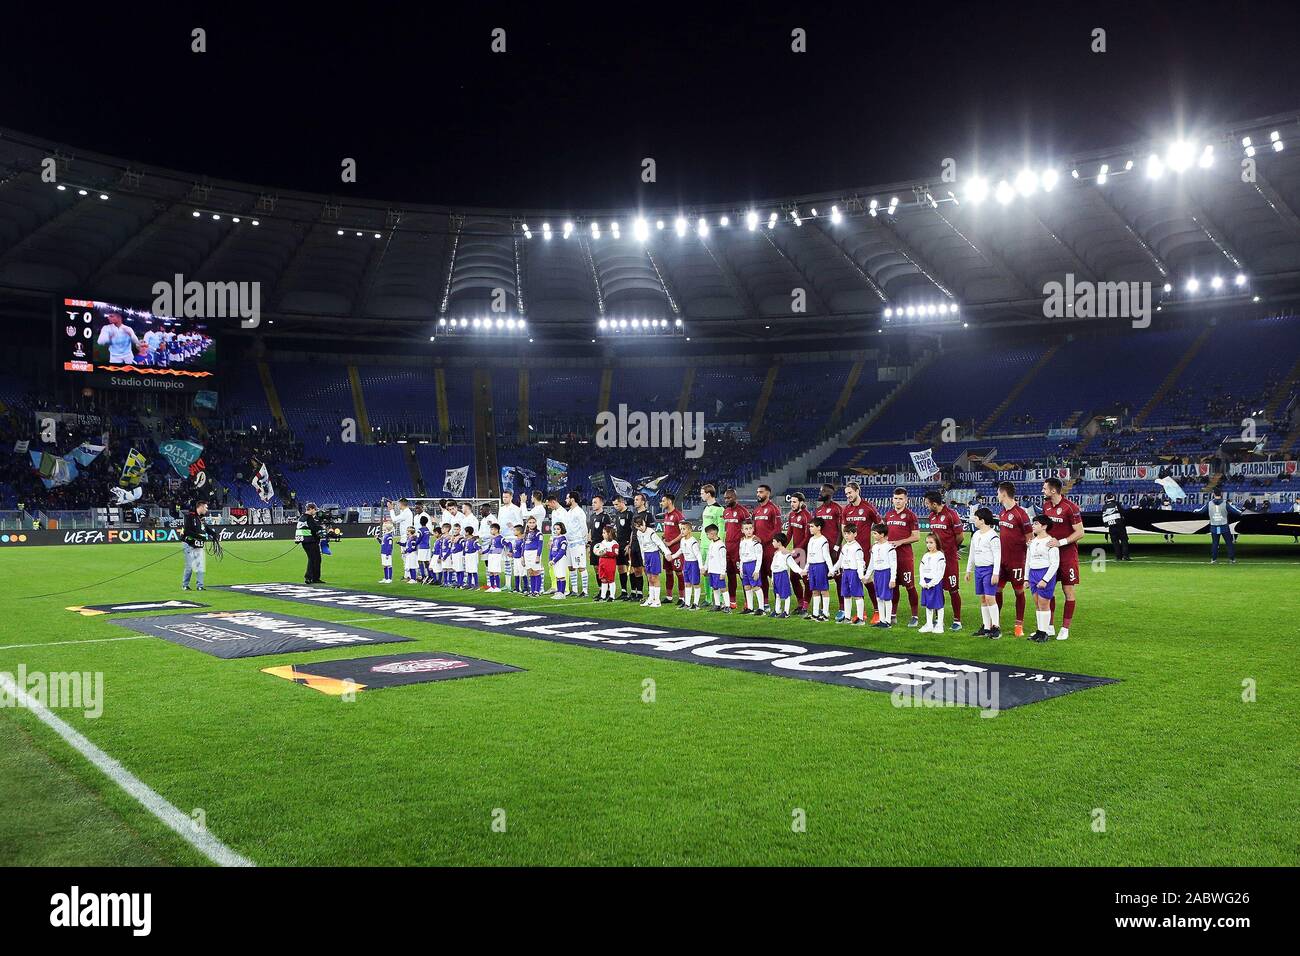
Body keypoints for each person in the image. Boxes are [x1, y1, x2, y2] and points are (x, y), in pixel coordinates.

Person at [1041, 477, 1084, 640]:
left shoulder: (1070, 507)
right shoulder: (1046, 506)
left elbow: (1080, 532)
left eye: (1045, 488)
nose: (1042, 491)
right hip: (1051, 555)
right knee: (1048, 591)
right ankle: (1050, 626)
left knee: (1068, 591)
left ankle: (1065, 628)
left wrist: (1061, 542)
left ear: (1053, 490)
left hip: (1067, 555)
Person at [995, 481, 1034, 636]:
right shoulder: (1002, 512)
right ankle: (995, 622)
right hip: (1002, 560)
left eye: (998, 493)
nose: (997, 495)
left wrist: (1027, 562)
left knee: (1018, 592)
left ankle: (1019, 625)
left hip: (1017, 561)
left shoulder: (1021, 514)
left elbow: (1029, 539)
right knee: (997, 590)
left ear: (1004, 494)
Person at [924, 490, 965, 631]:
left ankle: (957, 620)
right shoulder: (931, 516)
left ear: (934, 504)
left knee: (953, 590)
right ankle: (937, 618)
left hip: (950, 560)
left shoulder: (951, 514)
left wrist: (953, 549)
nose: (926, 505)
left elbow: (960, 536)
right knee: (936, 588)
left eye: (927, 503)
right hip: (936, 561)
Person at [840, 482, 881, 622]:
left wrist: (878, 541)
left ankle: (877, 610)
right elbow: (843, 528)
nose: (848, 496)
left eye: (850, 492)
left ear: (857, 491)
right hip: (851, 552)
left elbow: (880, 524)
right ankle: (861, 613)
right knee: (854, 582)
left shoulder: (868, 507)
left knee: (867, 580)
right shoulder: (846, 510)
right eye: (846, 494)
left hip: (865, 551)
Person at [883, 487, 921, 627]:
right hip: (890, 558)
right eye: (896, 498)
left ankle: (915, 616)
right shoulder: (888, 515)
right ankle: (893, 615)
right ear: (892, 499)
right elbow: (885, 535)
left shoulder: (911, 515)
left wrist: (900, 542)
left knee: (910, 586)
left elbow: (916, 536)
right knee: (893, 586)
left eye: (900, 499)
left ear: (906, 500)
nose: (898, 501)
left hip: (904, 557)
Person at [965, 507, 1002, 639]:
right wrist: (968, 570)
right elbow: (972, 554)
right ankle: (986, 627)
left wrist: (995, 573)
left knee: (990, 598)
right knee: (982, 598)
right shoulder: (976, 535)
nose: (974, 520)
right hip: (979, 570)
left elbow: (997, 555)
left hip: (989, 569)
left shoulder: (993, 536)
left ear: (982, 520)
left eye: (975, 518)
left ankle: (996, 627)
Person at [1025, 516, 1061, 643]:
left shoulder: (1051, 542)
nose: (1033, 526)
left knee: (1044, 604)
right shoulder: (1032, 541)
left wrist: (1045, 579)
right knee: (1037, 604)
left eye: (1036, 523)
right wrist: (1026, 578)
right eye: (1033, 523)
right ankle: (1040, 631)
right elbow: (1028, 560)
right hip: (1033, 574)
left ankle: (1045, 632)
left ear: (1044, 526)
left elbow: (1055, 563)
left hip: (1045, 573)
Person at [751, 484, 783, 603]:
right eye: (757, 492)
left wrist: (764, 540)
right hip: (759, 549)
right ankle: (765, 603)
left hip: (770, 548)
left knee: (773, 576)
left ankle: (778, 603)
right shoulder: (756, 510)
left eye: (761, 492)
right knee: (761, 575)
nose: (758, 494)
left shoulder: (773, 509)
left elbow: (777, 529)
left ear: (768, 494)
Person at [833, 521, 868, 625]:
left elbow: (860, 562)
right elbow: (840, 560)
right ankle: (847, 618)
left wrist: (861, 575)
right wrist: (833, 569)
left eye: (849, 533)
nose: (847, 536)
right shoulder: (845, 547)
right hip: (845, 572)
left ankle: (860, 619)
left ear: (855, 534)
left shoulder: (857, 547)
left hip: (854, 572)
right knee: (846, 595)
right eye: (845, 534)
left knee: (857, 595)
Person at [634, 513, 671, 607]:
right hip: (646, 555)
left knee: (655, 577)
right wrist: (643, 558)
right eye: (638, 526)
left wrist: (667, 553)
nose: (641, 527)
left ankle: (657, 600)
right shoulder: (638, 533)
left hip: (654, 555)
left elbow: (660, 543)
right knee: (649, 577)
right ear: (635, 526)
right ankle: (651, 598)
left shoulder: (651, 532)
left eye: (642, 525)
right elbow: (641, 546)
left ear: (644, 523)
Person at [785, 491, 813, 614]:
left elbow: (807, 537)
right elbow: (789, 533)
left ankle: (805, 607)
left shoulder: (807, 516)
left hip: (805, 553)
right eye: (791, 501)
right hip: (796, 553)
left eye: (794, 502)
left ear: (801, 503)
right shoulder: (791, 515)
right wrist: (782, 546)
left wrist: (797, 549)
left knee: (806, 580)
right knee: (794, 578)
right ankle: (800, 603)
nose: (792, 504)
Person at [721, 487, 750, 607]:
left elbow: (750, 529)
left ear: (735, 497)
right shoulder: (725, 512)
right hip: (728, 547)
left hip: (739, 548)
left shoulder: (743, 511)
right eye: (725, 498)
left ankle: (747, 601)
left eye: (729, 497)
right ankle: (732, 601)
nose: (726, 500)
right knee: (730, 575)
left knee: (742, 574)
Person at [866, 523, 897, 629]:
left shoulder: (889, 547)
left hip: (886, 573)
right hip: (877, 574)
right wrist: (867, 575)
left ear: (882, 534)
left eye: (875, 533)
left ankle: (888, 621)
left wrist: (892, 579)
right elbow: (872, 562)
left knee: (887, 597)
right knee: (879, 597)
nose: (873, 535)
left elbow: (893, 564)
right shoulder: (874, 547)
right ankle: (881, 620)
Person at [698, 484, 726, 604]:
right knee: (705, 571)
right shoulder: (706, 508)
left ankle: (719, 598)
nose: (701, 495)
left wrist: (719, 543)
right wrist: (700, 539)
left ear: (709, 494)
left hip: (713, 545)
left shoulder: (719, 509)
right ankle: (708, 598)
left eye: (702, 493)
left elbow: (721, 527)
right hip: (704, 544)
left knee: (716, 571)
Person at [1199, 489, 1242, 564]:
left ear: (1213, 494)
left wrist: (1195, 511)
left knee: (1215, 543)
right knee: (1229, 543)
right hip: (1224, 526)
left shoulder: (1209, 503)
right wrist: (1241, 512)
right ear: (1221, 494)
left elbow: (1201, 511)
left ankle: (1213, 559)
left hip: (1214, 526)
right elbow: (1235, 512)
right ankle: (1232, 559)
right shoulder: (1225, 503)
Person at [181, 500, 216, 590]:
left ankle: (200, 586)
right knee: (189, 566)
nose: (206, 509)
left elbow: (206, 528)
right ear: (200, 507)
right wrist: (200, 537)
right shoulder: (189, 516)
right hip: (189, 544)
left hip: (199, 544)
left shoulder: (202, 518)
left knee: (200, 565)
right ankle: (185, 585)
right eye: (205, 507)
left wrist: (213, 534)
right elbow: (187, 531)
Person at [805, 517, 834, 622]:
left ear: (819, 527)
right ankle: (815, 613)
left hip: (820, 566)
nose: (810, 528)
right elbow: (809, 556)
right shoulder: (811, 539)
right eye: (810, 527)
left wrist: (831, 569)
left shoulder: (823, 540)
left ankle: (825, 614)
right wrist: (806, 568)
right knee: (814, 590)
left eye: (812, 527)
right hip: (812, 566)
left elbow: (827, 556)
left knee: (824, 591)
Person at [917, 533, 947, 634]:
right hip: (926, 582)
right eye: (927, 543)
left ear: (937, 543)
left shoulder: (940, 556)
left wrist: (931, 583)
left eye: (931, 542)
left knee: (938, 604)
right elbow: (921, 568)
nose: (929, 545)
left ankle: (939, 625)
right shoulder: (926, 555)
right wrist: (922, 581)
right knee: (928, 605)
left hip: (935, 583)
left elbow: (940, 573)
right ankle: (929, 624)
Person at [659, 492, 685, 605]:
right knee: (668, 572)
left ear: (669, 501)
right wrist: (664, 538)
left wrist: (671, 542)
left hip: (676, 549)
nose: (662, 503)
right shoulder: (666, 515)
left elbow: (683, 532)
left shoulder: (678, 515)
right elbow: (667, 531)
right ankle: (669, 597)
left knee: (679, 573)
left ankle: (682, 598)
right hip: (667, 549)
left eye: (663, 500)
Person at [769, 533, 802, 619]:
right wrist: (772, 578)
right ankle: (777, 610)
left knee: (786, 594)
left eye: (774, 541)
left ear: (779, 543)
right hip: (776, 575)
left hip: (782, 575)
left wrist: (800, 571)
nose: (772, 543)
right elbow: (773, 566)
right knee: (777, 594)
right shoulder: (777, 553)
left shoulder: (786, 554)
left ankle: (786, 612)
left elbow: (792, 564)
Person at [563, 491, 589, 596]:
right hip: (569, 542)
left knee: (581, 566)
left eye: (567, 498)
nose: (566, 500)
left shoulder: (579, 512)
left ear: (572, 499)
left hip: (578, 542)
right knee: (571, 567)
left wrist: (584, 541)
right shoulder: (569, 512)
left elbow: (584, 527)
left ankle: (585, 591)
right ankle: (574, 590)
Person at [296, 502, 329, 584]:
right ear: (310, 509)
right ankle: (311, 577)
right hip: (310, 541)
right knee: (314, 559)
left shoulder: (302, 517)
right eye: (314, 509)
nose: (315, 511)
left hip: (304, 541)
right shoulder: (309, 517)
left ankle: (313, 577)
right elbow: (313, 527)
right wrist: (322, 528)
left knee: (314, 558)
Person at [738, 519, 766, 615]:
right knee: (747, 586)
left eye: (750, 528)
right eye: (746, 529)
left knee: (756, 586)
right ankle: (749, 607)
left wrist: (757, 570)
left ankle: (761, 608)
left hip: (752, 565)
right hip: (745, 565)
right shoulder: (742, 541)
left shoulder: (756, 541)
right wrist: (741, 568)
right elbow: (741, 555)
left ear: (753, 529)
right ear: (742, 530)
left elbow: (759, 557)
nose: (748, 530)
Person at [675, 519, 703, 610]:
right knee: (687, 583)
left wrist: (701, 567)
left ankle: (696, 604)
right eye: (681, 529)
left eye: (684, 529)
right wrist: (673, 556)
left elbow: (698, 555)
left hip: (693, 564)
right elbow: (681, 550)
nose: (682, 531)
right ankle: (687, 603)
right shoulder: (682, 540)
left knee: (695, 583)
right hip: (686, 563)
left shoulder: (693, 541)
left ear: (690, 530)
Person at [498, 491, 523, 590]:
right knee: (507, 562)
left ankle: (519, 585)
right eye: (503, 497)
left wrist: (513, 528)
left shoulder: (516, 509)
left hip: (513, 538)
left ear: (511, 497)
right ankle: (508, 584)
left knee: (516, 561)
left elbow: (520, 523)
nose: (505, 499)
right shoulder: (501, 509)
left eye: (506, 497)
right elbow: (499, 522)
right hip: (504, 538)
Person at [612, 496, 635, 599]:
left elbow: (633, 531)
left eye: (616, 504)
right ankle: (624, 591)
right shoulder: (617, 515)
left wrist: (629, 544)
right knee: (621, 568)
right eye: (614, 505)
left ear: (622, 502)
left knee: (632, 569)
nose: (615, 506)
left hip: (627, 545)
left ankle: (634, 591)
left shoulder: (630, 515)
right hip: (619, 545)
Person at [704, 524, 729, 612]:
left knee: (722, 588)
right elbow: (708, 557)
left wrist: (723, 572)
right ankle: (717, 605)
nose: (707, 536)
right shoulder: (711, 544)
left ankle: (727, 606)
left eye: (707, 534)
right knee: (714, 587)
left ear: (712, 533)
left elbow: (723, 560)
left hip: (718, 571)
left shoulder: (721, 545)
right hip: (712, 570)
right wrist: (706, 567)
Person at [593, 525, 621, 602]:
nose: (602, 534)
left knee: (610, 580)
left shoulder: (614, 543)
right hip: (602, 561)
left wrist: (606, 552)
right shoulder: (602, 542)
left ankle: (612, 596)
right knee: (603, 579)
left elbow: (615, 554)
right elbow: (598, 551)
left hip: (610, 562)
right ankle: (603, 596)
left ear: (609, 533)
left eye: (604, 533)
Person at [1101, 493, 1130, 561]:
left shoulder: (1104, 506)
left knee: (1115, 542)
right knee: (1124, 541)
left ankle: (1118, 557)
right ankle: (1125, 556)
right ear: (1113, 497)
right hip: (1119, 526)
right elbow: (1122, 512)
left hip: (1111, 527)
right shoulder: (1116, 504)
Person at [549, 522, 570, 600]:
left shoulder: (563, 539)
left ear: (562, 529)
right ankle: (558, 592)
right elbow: (552, 550)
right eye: (555, 529)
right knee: (557, 576)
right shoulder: (554, 538)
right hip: (554, 559)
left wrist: (555, 560)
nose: (556, 530)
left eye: (558, 529)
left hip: (560, 559)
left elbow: (561, 551)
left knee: (561, 576)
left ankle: (562, 593)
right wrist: (551, 559)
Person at [485, 523, 504, 592]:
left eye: (492, 529)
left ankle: (498, 587)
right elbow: (489, 548)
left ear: (496, 530)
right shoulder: (493, 538)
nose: (491, 531)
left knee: (495, 571)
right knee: (491, 571)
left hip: (496, 555)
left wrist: (510, 551)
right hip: (491, 555)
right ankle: (492, 587)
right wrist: (483, 552)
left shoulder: (500, 538)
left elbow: (508, 543)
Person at [378, 519, 395, 584]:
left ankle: (389, 578)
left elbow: (390, 546)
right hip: (383, 552)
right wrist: (377, 539)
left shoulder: (389, 537)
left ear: (387, 528)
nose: (383, 528)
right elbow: (382, 543)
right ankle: (385, 578)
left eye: (384, 527)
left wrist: (388, 553)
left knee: (389, 565)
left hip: (387, 553)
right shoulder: (385, 535)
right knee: (384, 565)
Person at [416, 515, 432, 581]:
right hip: (427, 547)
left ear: (420, 522)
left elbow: (419, 539)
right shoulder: (427, 529)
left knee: (420, 561)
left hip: (422, 547)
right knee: (426, 562)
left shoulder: (420, 530)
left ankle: (423, 576)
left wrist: (415, 544)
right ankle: (430, 575)